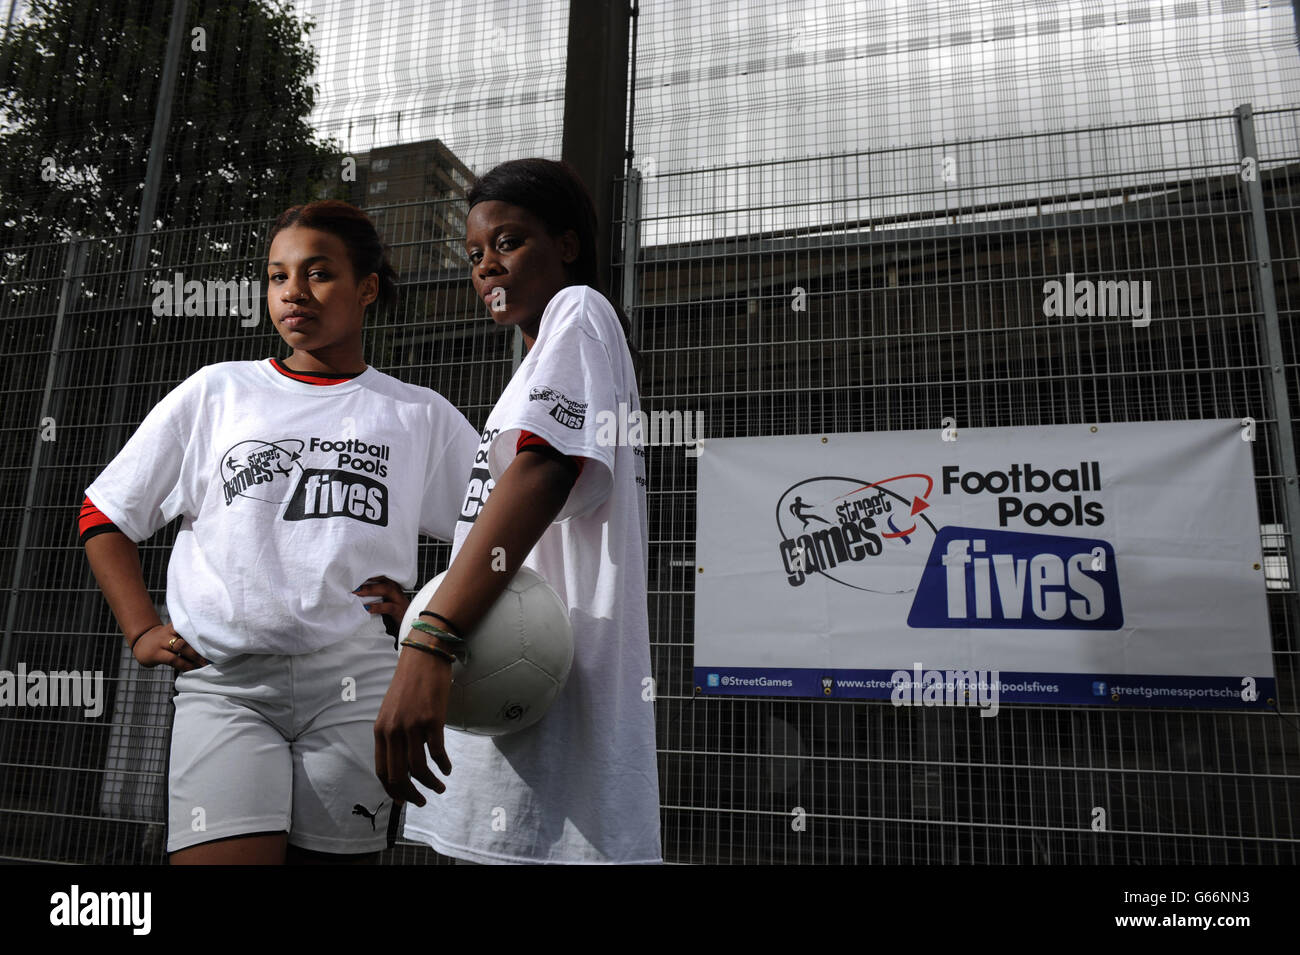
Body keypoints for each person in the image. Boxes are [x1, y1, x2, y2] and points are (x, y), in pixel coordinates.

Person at [80, 200, 479, 864]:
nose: (293, 291)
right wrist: (142, 628)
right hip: (227, 684)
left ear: (367, 287)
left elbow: (493, 532)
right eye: (277, 275)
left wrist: (428, 615)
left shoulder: (417, 415)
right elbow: (105, 513)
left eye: (318, 273)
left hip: (358, 689)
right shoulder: (217, 393)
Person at [375, 158, 663, 864]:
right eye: (474, 254)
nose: (486, 266)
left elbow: (543, 471)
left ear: (567, 244)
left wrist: (431, 639)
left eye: (508, 242)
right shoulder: (536, 366)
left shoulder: (581, 311)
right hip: (512, 733)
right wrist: (419, 608)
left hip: (559, 747)